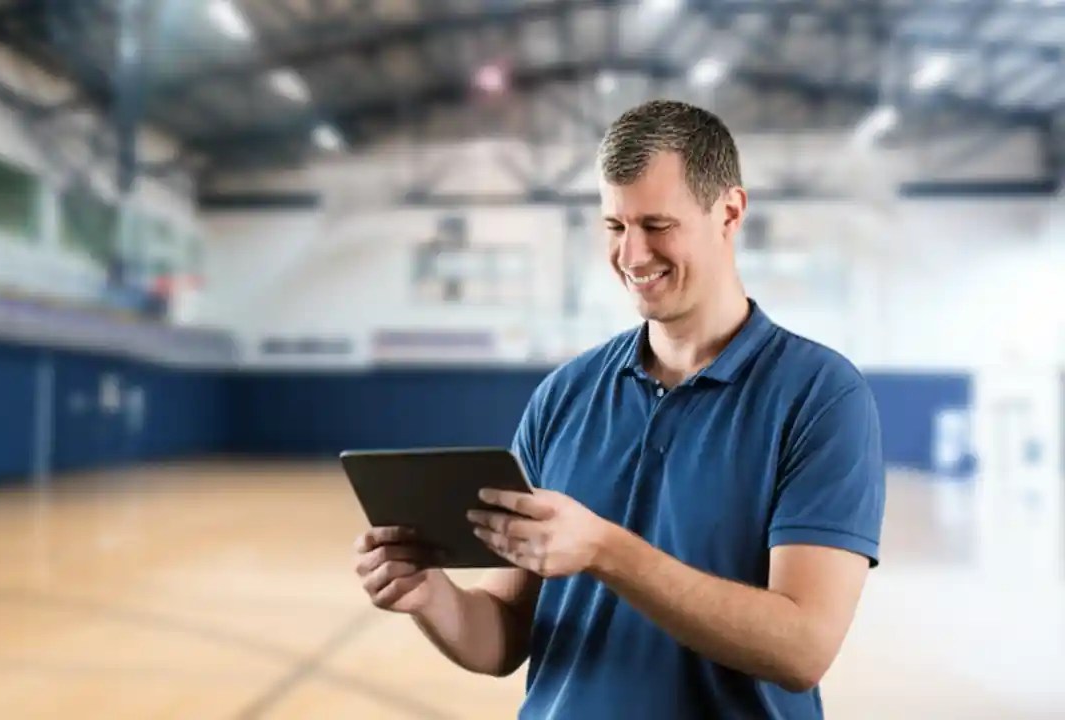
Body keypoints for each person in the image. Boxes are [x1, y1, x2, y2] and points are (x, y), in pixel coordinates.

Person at [352, 100, 885, 719]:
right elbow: (501, 636)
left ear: (730, 212)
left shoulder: (821, 396)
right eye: (614, 226)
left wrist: (608, 552)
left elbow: (803, 648)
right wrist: (431, 597)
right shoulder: (564, 395)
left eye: (657, 224)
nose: (631, 256)